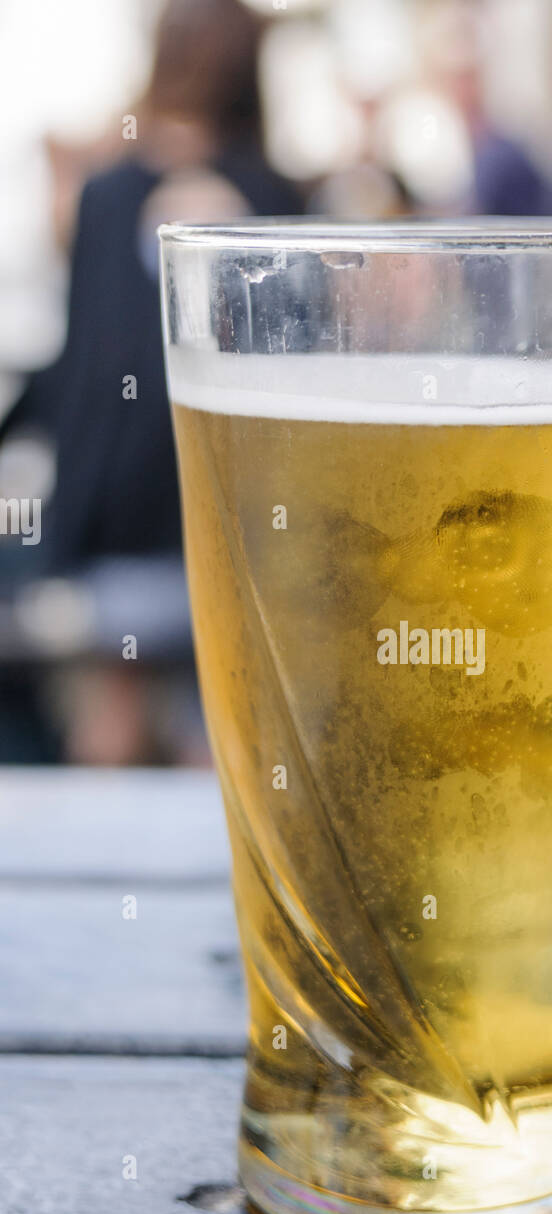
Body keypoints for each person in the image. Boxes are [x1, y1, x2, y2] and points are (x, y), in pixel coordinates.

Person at [0, 0, 304, 763]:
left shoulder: (108, 193)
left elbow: (85, 361)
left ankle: (96, 877)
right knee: (227, 723)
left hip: (121, 511)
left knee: (114, 710)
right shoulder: (272, 196)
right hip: (233, 508)